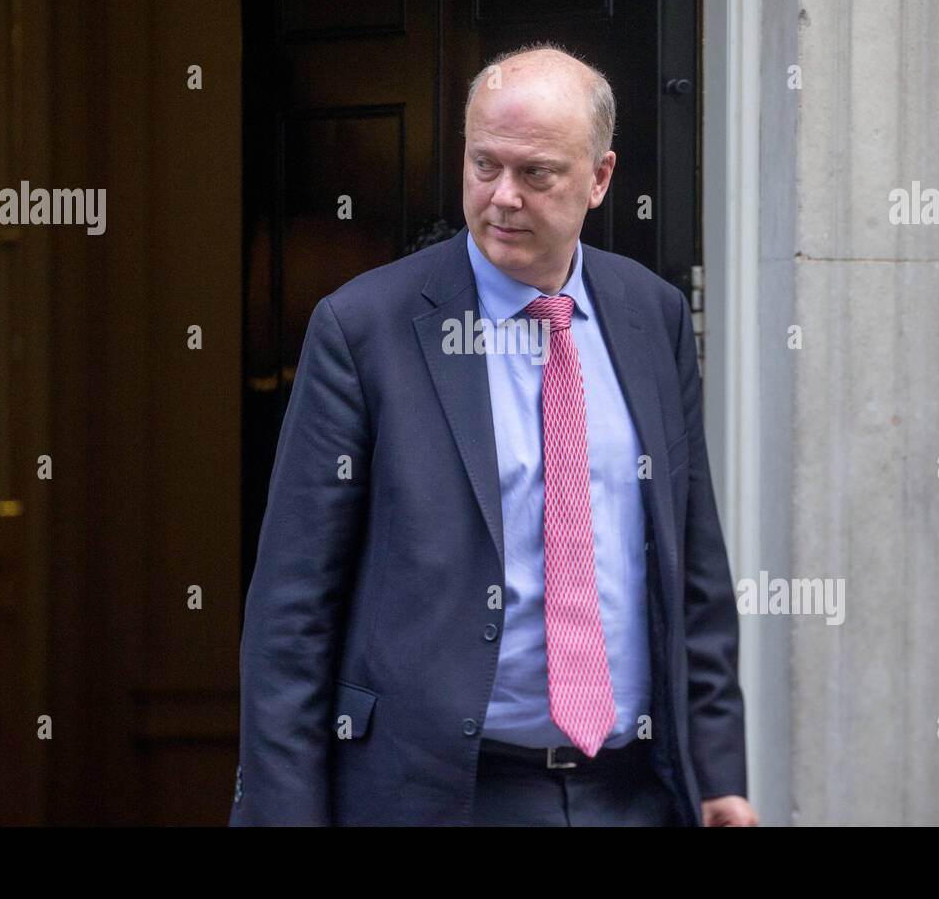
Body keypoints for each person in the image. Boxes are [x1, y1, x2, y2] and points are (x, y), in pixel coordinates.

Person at [230, 44, 758, 827]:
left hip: (635, 795)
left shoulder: (652, 316)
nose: (502, 198)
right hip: (445, 796)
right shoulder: (366, 329)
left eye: (536, 173)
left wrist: (719, 775)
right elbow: (291, 613)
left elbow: (693, 564)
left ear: (600, 178)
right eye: (484, 166)